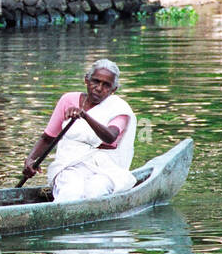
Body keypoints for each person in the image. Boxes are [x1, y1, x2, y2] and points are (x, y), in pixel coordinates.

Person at [21, 59, 138, 201]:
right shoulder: (68, 100)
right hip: (69, 166)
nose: (99, 88)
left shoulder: (118, 108)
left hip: (105, 170)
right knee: (70, 194)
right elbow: (48, 137)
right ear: (86, 81)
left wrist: (85, 116)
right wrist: (31, 159)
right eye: (95, 81)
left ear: (114, 90)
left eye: (106, 85)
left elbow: (110, 136)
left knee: (95, 193)